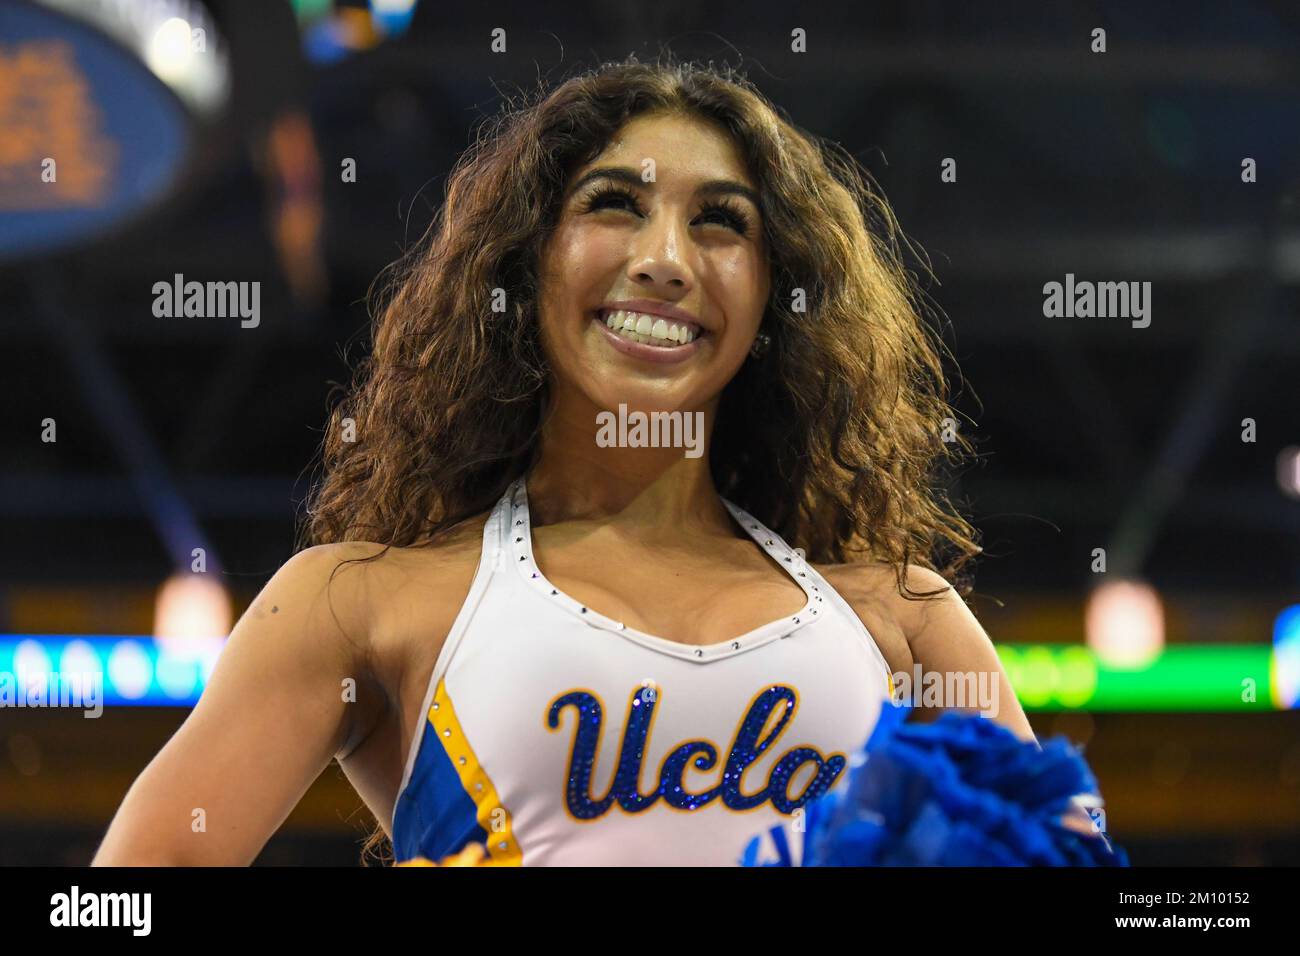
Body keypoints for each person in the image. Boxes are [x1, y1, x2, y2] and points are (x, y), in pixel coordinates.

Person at [93, 56, 1033, 867]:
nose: (666, 259)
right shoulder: (362, 603)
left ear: (770, 294)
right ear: (524, 262)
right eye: (614, 205)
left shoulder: (902, 624)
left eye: (722, 223)